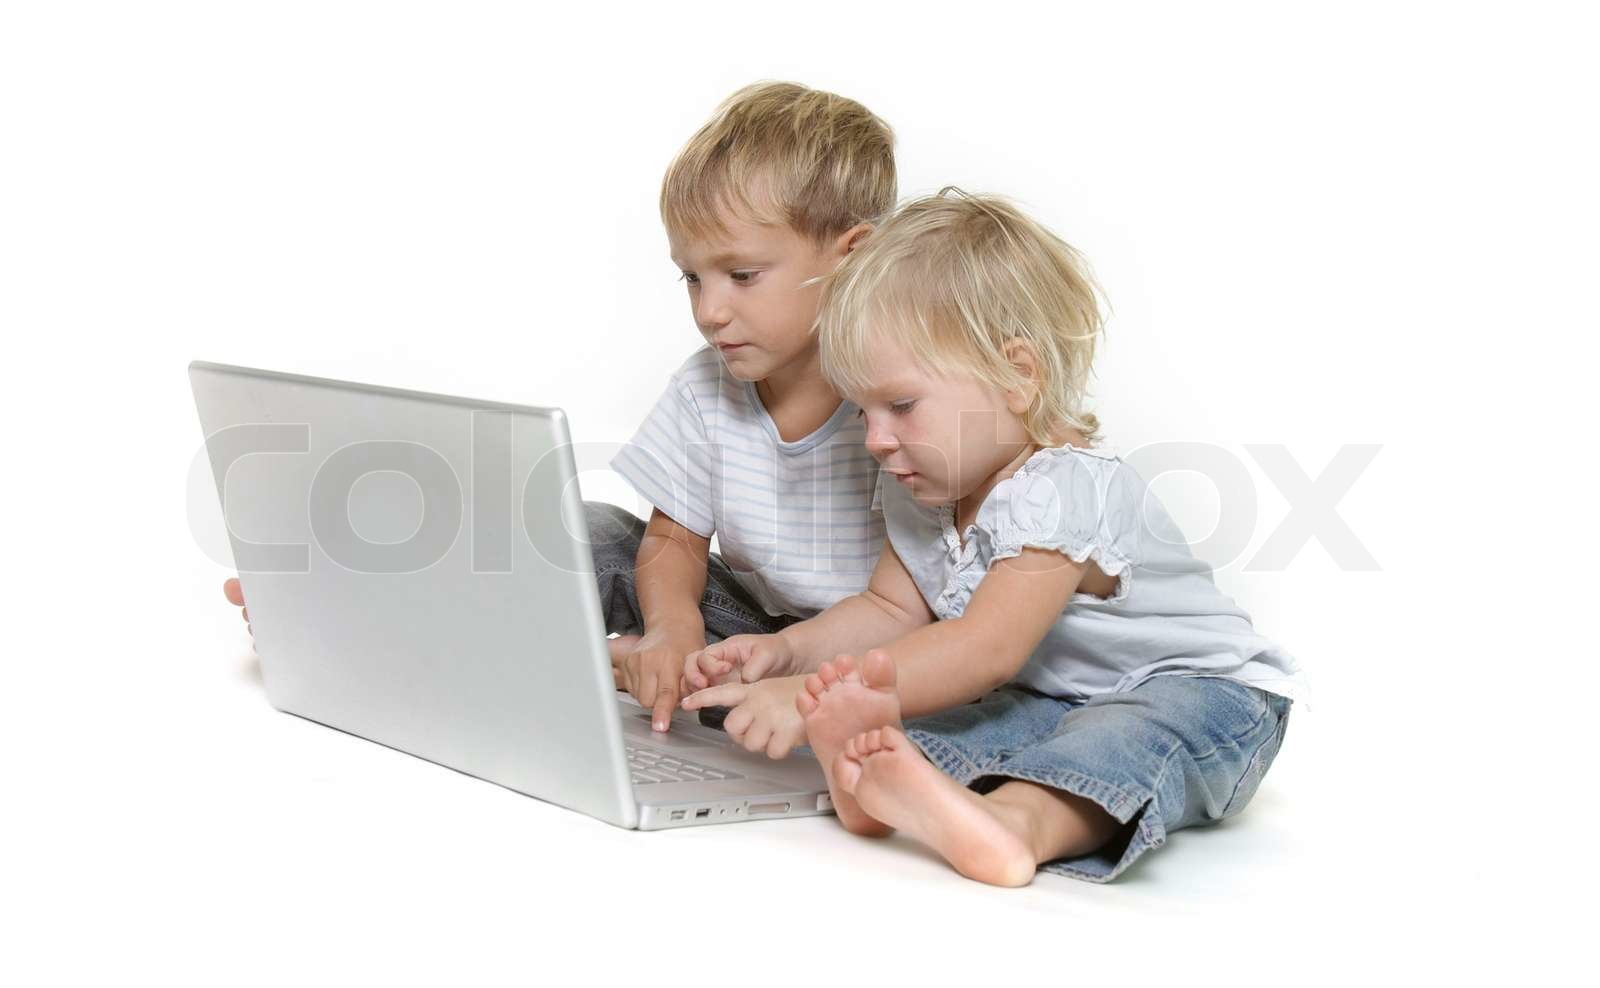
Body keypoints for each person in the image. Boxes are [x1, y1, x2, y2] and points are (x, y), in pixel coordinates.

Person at [223, 81, 898, 739]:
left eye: (742, 276)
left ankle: (626, 670)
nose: (709, 310)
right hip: (746, 633)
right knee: (590, 531)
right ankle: (347, 613)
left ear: (853, 259)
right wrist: (673, 629)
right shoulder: (706, 385)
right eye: (692, 277)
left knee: (899, 690)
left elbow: (923, 599)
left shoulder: (903, 401)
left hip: (874, 647)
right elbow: (674, 541)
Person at [681, 188, 1308, 885]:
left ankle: (1014, 829)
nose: (876, 439)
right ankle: (881, 787)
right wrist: (788, 654)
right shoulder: (923, 488)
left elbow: (985, 650)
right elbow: (888, 611)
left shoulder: (1063, 489)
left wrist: (806, 697)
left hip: (1202, 694)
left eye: (901, 405)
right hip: (1051, 695)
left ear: (1017, 376)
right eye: (862, 411)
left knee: (1118, 743)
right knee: (961, 724)